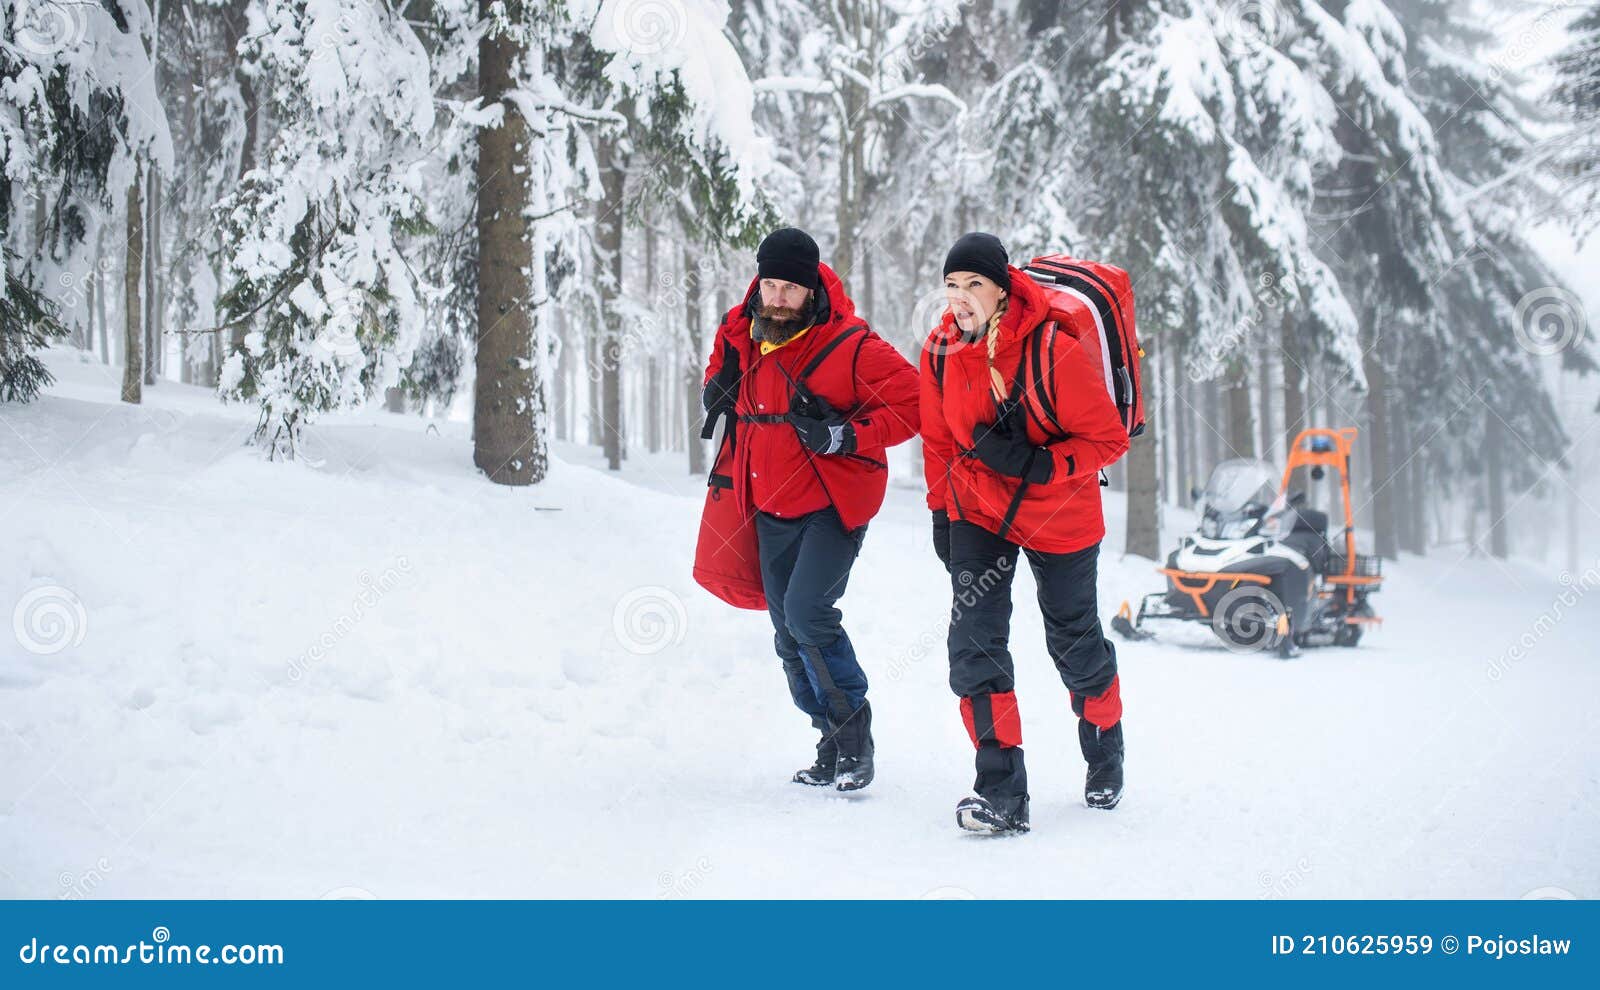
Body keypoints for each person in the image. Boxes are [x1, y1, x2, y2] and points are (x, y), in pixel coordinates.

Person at [920, 232, 1130, 834]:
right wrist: (942, 512)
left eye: (974, 286)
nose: (960, 300)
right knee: (973, 644)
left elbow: (1108, 439)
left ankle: (1105, 748)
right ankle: (1002, 791)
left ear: (1002, 287)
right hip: (978, 512)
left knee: (1074, 644)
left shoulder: (1051, 350)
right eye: (953, 286)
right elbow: (938, 443)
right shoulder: (939, 351)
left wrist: (1041, 464)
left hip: (1059, 514)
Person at [702, 227, 920, 792]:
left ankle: (855, 737)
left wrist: (845, 436)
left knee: (807, 614)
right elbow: (719, 372)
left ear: (812, 292)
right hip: (767, 502)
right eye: (768, 284)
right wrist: (717, 385)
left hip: (832, 504)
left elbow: (914, 403)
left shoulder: (850, 344)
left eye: (788, 289)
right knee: (785, 632)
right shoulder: (746, 332)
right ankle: (828, 737)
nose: (776, 298)